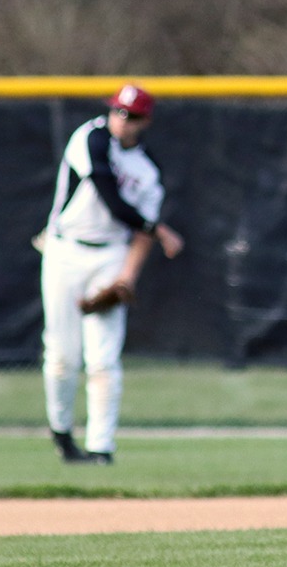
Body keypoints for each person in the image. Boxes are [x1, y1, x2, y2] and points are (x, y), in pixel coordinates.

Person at [38, 84, 184, 464]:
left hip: (111, 257)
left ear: (145, 121)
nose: (122, 120)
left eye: (132, 115)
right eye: (119, 111)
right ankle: (63, 435)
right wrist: (160, 230)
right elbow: (107, 192)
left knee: (103, 359)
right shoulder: (90, 137)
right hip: (65, 251)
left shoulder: (147, 169)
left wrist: (127, 277)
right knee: (61, 355)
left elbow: (138, 232)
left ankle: (102, 447)